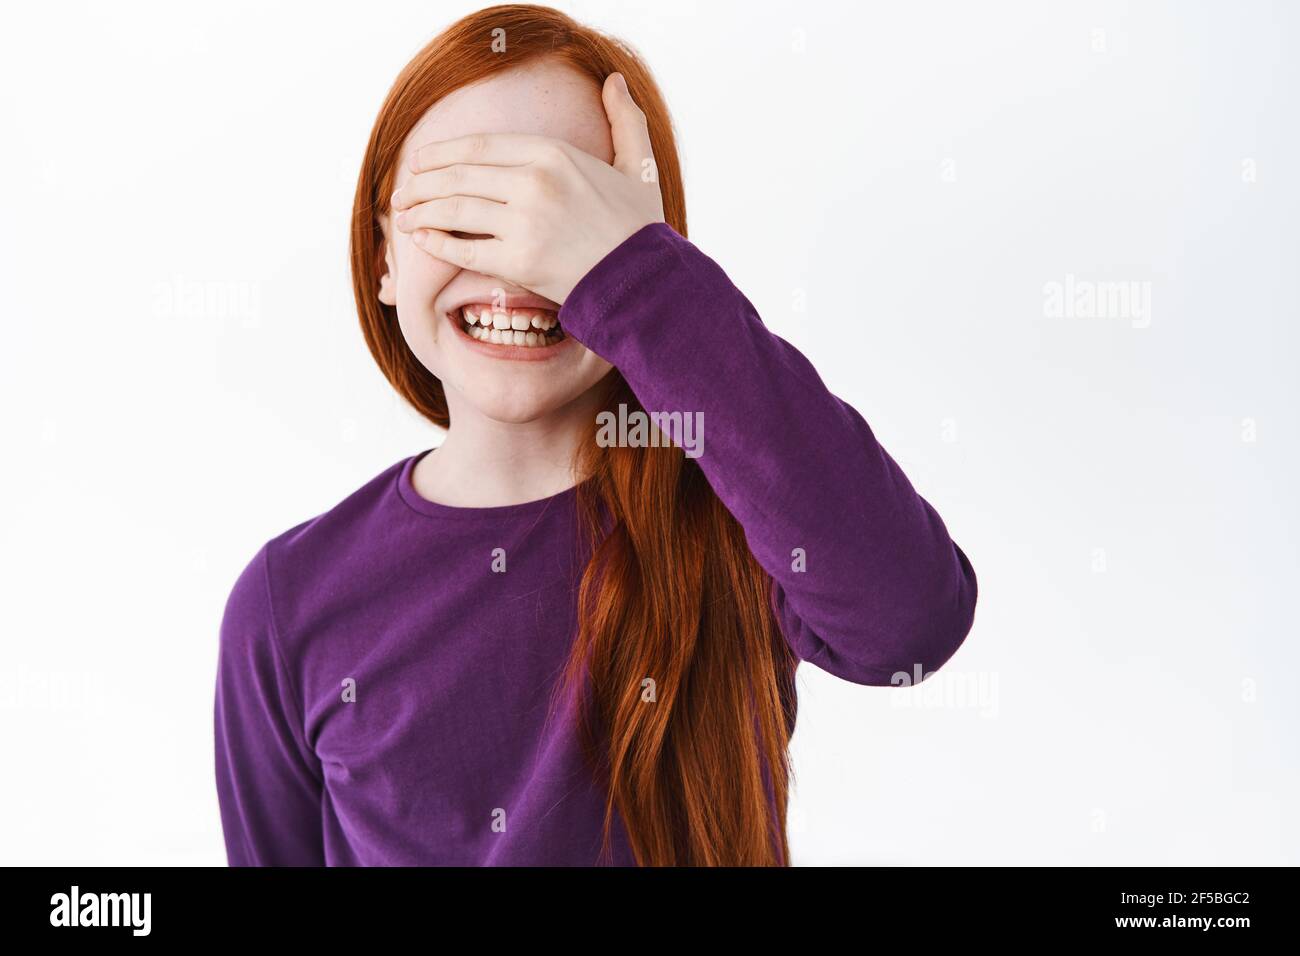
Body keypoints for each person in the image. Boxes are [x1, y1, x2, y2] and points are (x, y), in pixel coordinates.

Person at [215, 3, 977, 867]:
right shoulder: (287, 603)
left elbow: (913, 621)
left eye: (566, 226)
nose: (515, 267)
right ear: (383, 257)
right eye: (466, 210)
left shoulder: (737, 509)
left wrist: (636, 275)